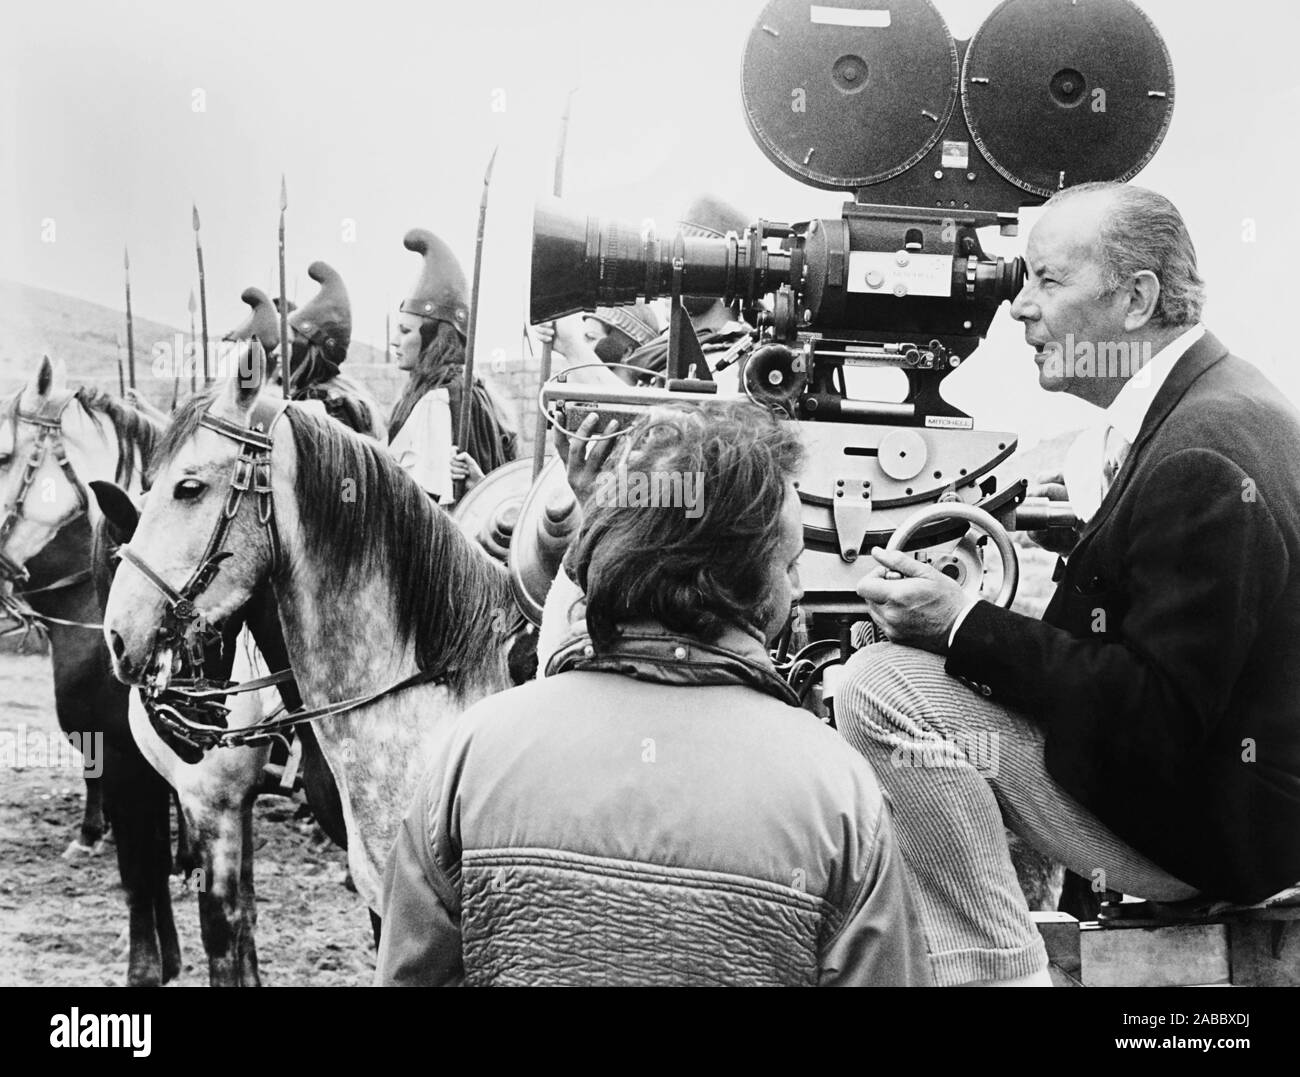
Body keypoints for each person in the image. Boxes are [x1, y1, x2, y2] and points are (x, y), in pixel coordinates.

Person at [834, 181, 1300, 986]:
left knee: (880, 686)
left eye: (1049, 281)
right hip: (1242, 807)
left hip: (1223, 835)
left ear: (1135, 299)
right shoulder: (1218, 401)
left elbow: (1155, 719)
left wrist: (964, 626)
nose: (1018, 307)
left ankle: (995, 975)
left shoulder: (1201, 453)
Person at [375, 400, 932, 986]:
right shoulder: (840, 794)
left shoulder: (470, 755)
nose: (796, 586)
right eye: (787, 562)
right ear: (730, 575)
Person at [389, 228, 517, 503]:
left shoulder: (437, 400)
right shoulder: (472, 390)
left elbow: (422, 501)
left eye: (405, 331)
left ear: (434, 337)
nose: (394, 341)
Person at [280, 261, 386, 441]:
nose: (279, 351)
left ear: (309, 351)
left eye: (289, 342)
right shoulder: (342, 397)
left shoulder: (324, 405)